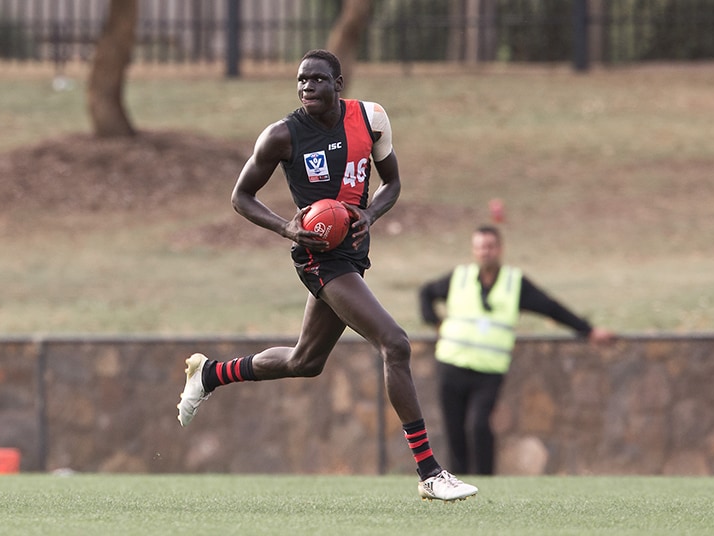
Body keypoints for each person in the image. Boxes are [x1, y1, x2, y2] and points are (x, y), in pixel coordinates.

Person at [177, 49, 477, 502]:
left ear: (338, 83)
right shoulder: (282, 135)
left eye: (317, 79)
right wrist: (286, 227)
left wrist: (370, 214)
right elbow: (241, 197)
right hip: (319, 259)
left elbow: (392, 183)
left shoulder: (371, 119)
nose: (307, 87)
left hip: (352, 255)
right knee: (395, 344)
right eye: (301, 80)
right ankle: (430, 473)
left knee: (305, 361)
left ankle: (210, 374)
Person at [419, 225, 614, 475]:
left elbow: (551, 307)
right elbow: (426, 293)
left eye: (490, 247)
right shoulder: (460, 278)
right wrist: (435, 322)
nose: (485, 252)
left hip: (488, 371)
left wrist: (587, 330)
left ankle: (484, 481)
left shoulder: (514, 283)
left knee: (479, 425)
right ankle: (456, 484)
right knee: (454, 432)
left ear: (500, 249)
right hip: (451, 365)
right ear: (473, 250)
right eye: (480, 247)